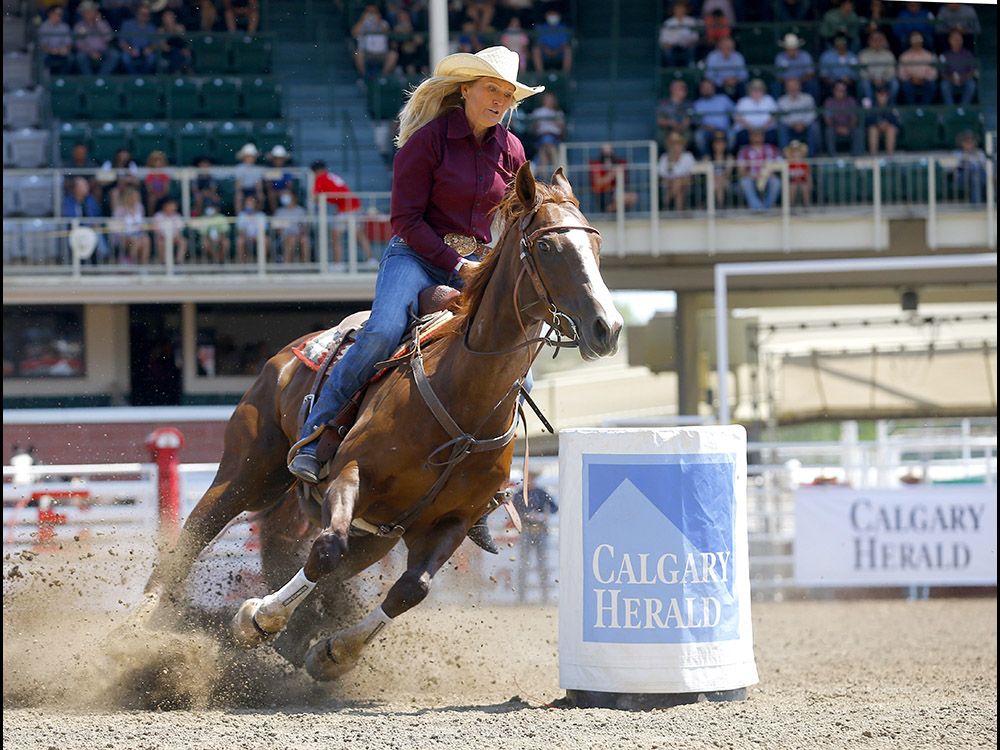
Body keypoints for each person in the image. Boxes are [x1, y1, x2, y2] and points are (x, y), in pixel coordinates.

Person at [287, 47, 543, 557]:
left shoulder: (512, 150)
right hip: (415, 255)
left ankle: (482, 489)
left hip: (476, 262)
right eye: (492, 89)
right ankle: (318, 435)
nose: (500, 100)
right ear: (466, 90)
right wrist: (459, 267)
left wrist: (501, 264)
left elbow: (516, 215)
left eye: (507, 93)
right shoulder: (426, 144)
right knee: (383, 330)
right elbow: (405, 221)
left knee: (523, 369)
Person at [513, 470, 558, 603]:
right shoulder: (519, 494)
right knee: (523, 564)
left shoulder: (541, 493)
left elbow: (554, 508)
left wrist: (544, 515)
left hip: (540, 530)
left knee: (542, 564)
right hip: (526, 530)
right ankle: (521, 597)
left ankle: (544, 596)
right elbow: (514, 510)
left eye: (531, 478)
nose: (530, 481)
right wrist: (525, 516)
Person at [311, 159, 363, 266]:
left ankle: (338, 264)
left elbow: (315, 197)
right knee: (359, 235)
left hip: (346, 208)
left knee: (336, 236)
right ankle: (371, 260)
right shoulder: (330, 176)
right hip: (353, 205)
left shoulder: (321, 177)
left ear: (315, 171)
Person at [737, 128, 781, 211]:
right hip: (751, 176)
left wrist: (770, 172)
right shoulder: (744, 151)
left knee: (776, 182)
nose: (757, 138)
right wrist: (752, 175)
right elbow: (741, 170)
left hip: (767, 176)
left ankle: (767, 207)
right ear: (750, 137)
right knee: (745, 182)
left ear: (763, 137)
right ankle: (757, 208)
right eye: (754, 136)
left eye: (759, 135)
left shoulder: (771, 149)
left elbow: (780, 164)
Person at [588, 143, 639, 214]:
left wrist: (617, 171)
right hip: (602, 192)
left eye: (609, 150)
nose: (607, 153)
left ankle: (614, 213)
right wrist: (612, 174)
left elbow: (623, 180)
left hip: (614, 191)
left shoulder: (618, 163)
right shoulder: (596, 165)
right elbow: (598, 182)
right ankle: (607, 211)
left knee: (633, 197)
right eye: (605, 151)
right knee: (616, 198)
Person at [74, 1, 120, 75]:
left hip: (103, 51)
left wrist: (99, 23)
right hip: (87, 53)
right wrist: (91, 52)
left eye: (92, 11)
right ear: (82, 14)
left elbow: (109, 38)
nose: (90, 14)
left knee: (114, 54)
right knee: (80, 57)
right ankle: (89, 79)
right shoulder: (79, 26)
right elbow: (79, 44)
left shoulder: (102, 23)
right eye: (87, 12)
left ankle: (101, 78)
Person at [777, 77, 820, 155]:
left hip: (806, 125)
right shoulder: (782, 101)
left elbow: (812, 114)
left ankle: (811, 157)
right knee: (781, 127)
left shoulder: (808, 98)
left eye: (795, 85)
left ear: (799, 86)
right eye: (790, 86)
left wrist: (803, 123)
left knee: (814, 127)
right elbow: (782, 117)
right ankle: (785, 157)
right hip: (789, 126)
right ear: (786, 88)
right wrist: (793, 124)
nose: (793, 88)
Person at [691, 78, 734, 156]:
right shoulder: (698, 104)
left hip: (724, 129)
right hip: (707, 129)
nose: (706, 89)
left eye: (708, 87)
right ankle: (705, 158)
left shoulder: (723, 99)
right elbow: (696, 121)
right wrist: (705, 126)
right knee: (698, 136)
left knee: (732, 135)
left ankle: (728, 157)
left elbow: (735, 112)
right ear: (700, 90)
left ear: (713, 88)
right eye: (704, 87)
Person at [733, 78, 778, 148]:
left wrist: (763, 128)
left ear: (763, 90)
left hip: (766, 129)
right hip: (747, 129)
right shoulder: (743, 101)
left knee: (772, 135)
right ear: (749, 91)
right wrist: (751, 128)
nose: (756, 92)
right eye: (754, 89)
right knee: (742, 136)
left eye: (759, 89)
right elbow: (737, 118)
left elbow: (774, 116)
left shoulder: (769, 99)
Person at [352, 4, 392, 81]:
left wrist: (378, 21)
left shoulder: (383, 23)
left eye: (373, 12)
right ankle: (363, 78)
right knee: (358, 54)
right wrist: (362, 19)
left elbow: (388, 32)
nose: (371, 14)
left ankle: (383, 77)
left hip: (381, 53)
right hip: (367, 53)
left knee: (393, 54)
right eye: (369, 11)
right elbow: (354, 33)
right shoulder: (362, 23)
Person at [111, 186, 151, 264]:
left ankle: (143, 264)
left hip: (138, 234)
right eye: (132, 197)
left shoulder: (140, 207)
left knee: (146, 240)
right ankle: (132, 263)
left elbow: (142, 222)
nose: (134, 199)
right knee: (134, 240)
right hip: (124, 236)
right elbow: (115, 226)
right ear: (127, 198)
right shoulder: (120, 210)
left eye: (136, 197)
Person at [658, 132, 697, 211]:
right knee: (679, 191)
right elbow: (662, 175)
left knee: (679, 183)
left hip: (687, 183)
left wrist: (679, 179)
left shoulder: (688, 156)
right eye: (673, 144)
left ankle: (666, 202)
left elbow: (693, 173)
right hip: (668, 184)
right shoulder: (664, 158)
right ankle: (679, 214)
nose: (675, 146)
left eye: (678, 143)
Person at [897, 30, 937, 105]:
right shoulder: (904, 56)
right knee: (906, 85)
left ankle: (925, 108)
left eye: (918, 41)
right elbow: (901, 73)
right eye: (914, 41)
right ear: (910, 42)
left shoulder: (929, 55)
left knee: (932, 85)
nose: (917, 43)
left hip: (925, 80)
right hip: (910, 80)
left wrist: (923, 78)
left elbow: (933, 73)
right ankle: (912, 109)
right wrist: (912, 78)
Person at [823, 80, 862, 156]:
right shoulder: (829, 102)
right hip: (834, 127)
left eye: (843, 90)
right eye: (838, 90)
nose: (840, 92)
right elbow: (827, 120)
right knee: (829, 131)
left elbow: (854, 118)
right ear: (833, 91)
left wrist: (848, 128)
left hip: (848, 126)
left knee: (858, 131)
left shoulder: (850, 101)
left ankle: (856, 157)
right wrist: (837, 128)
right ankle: (832, 157)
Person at [118, 2, 159, 74]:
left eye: (146, 14)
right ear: (137, 14)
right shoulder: (127, 24)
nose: (144, 16)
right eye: (142, 14)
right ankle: (134, 78)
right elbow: (122, 42)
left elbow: (155, 43)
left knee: (151, 58)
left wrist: (150, 49)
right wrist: (130, 50)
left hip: (145, 51)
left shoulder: (152, 27)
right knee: (125, 58)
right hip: (131, 49)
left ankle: (144, 78)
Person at [858, 30, 898, 104]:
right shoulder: (863, 54)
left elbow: (892, 71)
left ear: (883, 41)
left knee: (894, 84)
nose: (877, 42)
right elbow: (863, 71)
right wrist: (872, 79)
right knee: (864, 84)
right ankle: (871, 109)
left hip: (885, 80)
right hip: (869, 80)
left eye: (879, 40)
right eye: (874, 40)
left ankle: (891, 107)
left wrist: (883, 79)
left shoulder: (889, 54)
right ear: (869, 41)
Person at [939, 29, 977, 106]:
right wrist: (952, 78)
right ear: (950, 41)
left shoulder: (968, 53)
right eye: (955, 39)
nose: (958, 41)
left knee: (971, 85)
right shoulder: (944, 55)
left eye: (959, 39)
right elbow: (942, 73)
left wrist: (962, 77)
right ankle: (951, 109)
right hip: (949, 79)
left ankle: (963, 108)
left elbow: (972, 70)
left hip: (965, 78)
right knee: (944, 85)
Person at [273, 189, 311, 264]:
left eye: (287, 195)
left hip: (298, 236)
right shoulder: (279, 212)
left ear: (294, 197)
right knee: (291, 240)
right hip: (283, 237)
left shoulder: (301, 211)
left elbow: (305, 227)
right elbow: (277, 230)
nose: (284, 197)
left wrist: (299, 235)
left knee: (305, 240)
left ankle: (305, 265)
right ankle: (287, 266)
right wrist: (285, 235)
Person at [774, 33, 817, 99]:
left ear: (797, 47)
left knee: (812, 84)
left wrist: (798, 81)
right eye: (789, 48)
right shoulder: (780, 57)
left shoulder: (805, 56)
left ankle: (814, 106)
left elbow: (810, 73)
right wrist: (789, 82)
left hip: (802, 81)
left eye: (793, 47)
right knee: (775, 85)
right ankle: (777, 107)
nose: (791, 50)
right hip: (785, 82)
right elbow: (778, 76)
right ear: (785, 48)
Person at [530, 92, 566, 171]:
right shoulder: (538, 112)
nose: (549, 101)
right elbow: (533, 127)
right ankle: (557, 169)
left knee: (544, 151)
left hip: (555, 137)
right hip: (541, 137)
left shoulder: (558, 112)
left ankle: (544, 176)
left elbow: (562, 127)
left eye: (551, 99)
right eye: (547, 99)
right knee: (547, 144)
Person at [659, 0, 699, 68]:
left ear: (685, 10)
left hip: (687, 46)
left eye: (682, 9)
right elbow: (662, 39)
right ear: (674, 10)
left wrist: (690, 42)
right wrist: (667, 44)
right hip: (672, 47)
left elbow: (695, 37)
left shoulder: (691, 21)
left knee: (692, 49)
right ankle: (672, 70)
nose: (680, 11)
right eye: (677, 9)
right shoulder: (668, 23)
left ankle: (690, 69)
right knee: (667, 52)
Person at [532, 9, 572, 73]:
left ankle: (566, 74)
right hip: (544, 52)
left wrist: (556, 51)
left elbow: (564, 44)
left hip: (559, 52)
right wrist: (547, 50)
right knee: (536, 50)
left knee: (568, 49)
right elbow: (539, 43)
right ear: (546, 16)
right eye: (551, 15)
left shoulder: (563, 28)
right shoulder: (540, 28)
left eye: (554, 15)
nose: (553, 17)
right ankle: (540, 74)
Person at [655, 79, 692, 149]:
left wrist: (681, 126)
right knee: (660, 135)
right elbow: (659, 120)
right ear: (673, 89)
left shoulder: (688, 104)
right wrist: (670, 123)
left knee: (689, 135)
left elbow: (689, 120)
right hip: (667, 129)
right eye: (681, 88)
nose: (684, 90)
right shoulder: (663, 104)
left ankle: (682, 156)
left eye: (685, 88)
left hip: (683, 129)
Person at [952, 130, 987, 205]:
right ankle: (976, 205)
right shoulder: (957, 153)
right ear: (962, 143)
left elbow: (985, 166)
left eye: (971, 142)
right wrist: (965, 157)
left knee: (982, 176)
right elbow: (951, 168)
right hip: (962, 178)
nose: (969, 144)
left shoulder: (980, 153)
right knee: (975, 173)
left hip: (980, 177)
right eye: (966, 142)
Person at [38, 5, 73, 74]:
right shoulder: (43, 27)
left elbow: (69, 44)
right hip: (48, 53)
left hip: (61, 52)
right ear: (50, 14)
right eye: (57, 14)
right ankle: (45, 82)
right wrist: (51, 50)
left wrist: (64, 49)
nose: (59, 16)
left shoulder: (64, 27)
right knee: (42, 57)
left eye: (60, 15)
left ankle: (62, 80)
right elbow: (42, 45)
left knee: (71, 58)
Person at [865, 86, 899, 155]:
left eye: (885, 95)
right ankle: (873, 156)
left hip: (888, 127)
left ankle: (890, 156)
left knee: (892, 129)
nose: (883, 97)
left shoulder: (892, 105)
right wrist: (878, 123)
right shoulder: (871, 105)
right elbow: (868, 119)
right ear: (877, 95)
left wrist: (887, 123)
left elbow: (895, 119)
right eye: (881, 95)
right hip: (875, 127)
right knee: (872, 130)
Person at [152, 196, 188, 263]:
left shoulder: (177, 216)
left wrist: (174, 237)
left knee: (183, 241)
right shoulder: (158, 216)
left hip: (174, 238)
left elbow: (179, 231)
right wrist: (165, 237)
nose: (173, 207)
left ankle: (178, 261)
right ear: (165, 206)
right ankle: (164, 262)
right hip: (162, 238)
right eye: (171, 205)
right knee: (160, 242)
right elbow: (157, 231)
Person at [705, 130, 735, 208]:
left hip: (725, 181)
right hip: (712, 180)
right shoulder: (708, 158)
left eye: (721, 143)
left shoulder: (729, 157)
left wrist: (719, 178)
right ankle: (720, 207)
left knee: (720, 184)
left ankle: (719, 207)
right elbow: (706, 173)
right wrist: (715, 178)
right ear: (713, 145)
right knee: (716, 184)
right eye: (717, 143)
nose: (719, 145)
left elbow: (728, 173)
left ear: (725, 145)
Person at [263, 145, 296, 214]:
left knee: (287, 195)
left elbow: (289, 185)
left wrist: (284, 191)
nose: (278, 161)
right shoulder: (269, 170)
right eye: (276, 158)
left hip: (284, 191)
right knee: (271, 194)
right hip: (273, 191)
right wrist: (277, 191)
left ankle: (287, 214)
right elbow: (268, 185)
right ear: (273, 159)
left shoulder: (286, 170)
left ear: (283, 159)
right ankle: (276, 214)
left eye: (280, 158)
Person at [235, 194, 267, 263]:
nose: (249, 205)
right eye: (247, 203)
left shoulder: (261, 215)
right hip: (245, 237)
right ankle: (242, 265)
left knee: (265, 240)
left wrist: (255, 237)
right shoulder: (242, 215)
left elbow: (263, 230)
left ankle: (262, 264)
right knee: (240, 241)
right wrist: (247, 237)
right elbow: (240, 231)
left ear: (255, 204)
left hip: (258, 237)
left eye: (251, 203)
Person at [233, 143, 264, 213]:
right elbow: (238, 183)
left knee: (261, 197)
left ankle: (258, 214)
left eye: (251, 156)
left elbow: (258, 184)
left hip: (253, 189)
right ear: (244, 157)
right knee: (238, 197)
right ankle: (239, 216)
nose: (250, 158)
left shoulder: (257, 169)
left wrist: (259, 192)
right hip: (243, 189)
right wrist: (239, 191)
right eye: (248, 156)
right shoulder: (239, 168)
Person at [159, 7, 191, 74]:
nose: (168, 19)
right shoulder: (160, 30)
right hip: (168, 52)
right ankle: (177, 72)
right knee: (175, 54)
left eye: (170, 17)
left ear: (174, 17)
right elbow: (163, 46)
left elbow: (185, 41)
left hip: (181, 51)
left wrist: (185, 49)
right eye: (166, 17)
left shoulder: (180, 28)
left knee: (180, 54)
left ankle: (178, 72)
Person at [143, 150, 172, 217]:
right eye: (155, 161)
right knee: (152, 198)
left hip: (163, 195)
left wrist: (161, 194)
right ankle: (151, 217)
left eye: (160, 161)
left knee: (169, 200)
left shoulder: (164, 174)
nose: (158, 163)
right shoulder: (149, 174)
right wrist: (156, 194)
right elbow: (149, 189)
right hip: (152, 194)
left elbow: (166, 188)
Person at [784, 140, 811, 208]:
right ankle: (791, 205)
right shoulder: (789, 164)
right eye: (793, 152)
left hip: (803, 181)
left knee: (805, 187)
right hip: (792, 181)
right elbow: (787, 175)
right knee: (792, 187)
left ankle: (806, 205)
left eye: (798, 152)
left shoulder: (804, 164)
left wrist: (809, 182)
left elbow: (808, 175)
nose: (796, 154)